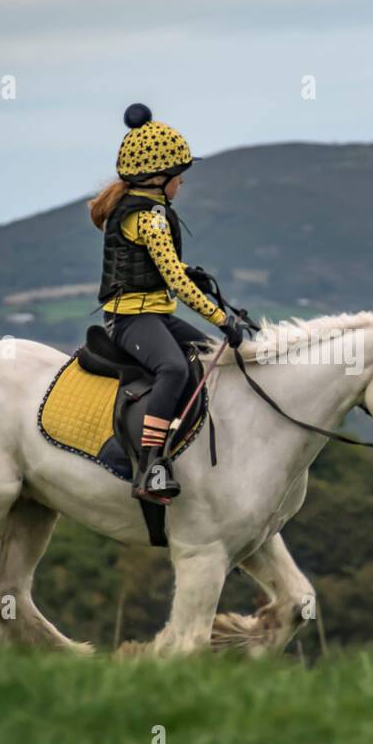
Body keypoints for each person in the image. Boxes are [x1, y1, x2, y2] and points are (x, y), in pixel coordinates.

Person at [88, 103, 247, 505]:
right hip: (129, 320)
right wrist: (220, 317)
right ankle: (149, 465)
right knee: (174, 368)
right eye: (179, 178)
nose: (182, 185)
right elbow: (173, 280)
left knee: (207, 354)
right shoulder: (150, 218)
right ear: (159, 179)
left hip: (155, 314)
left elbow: (168, 268)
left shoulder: (150, 210)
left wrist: (189, 270)